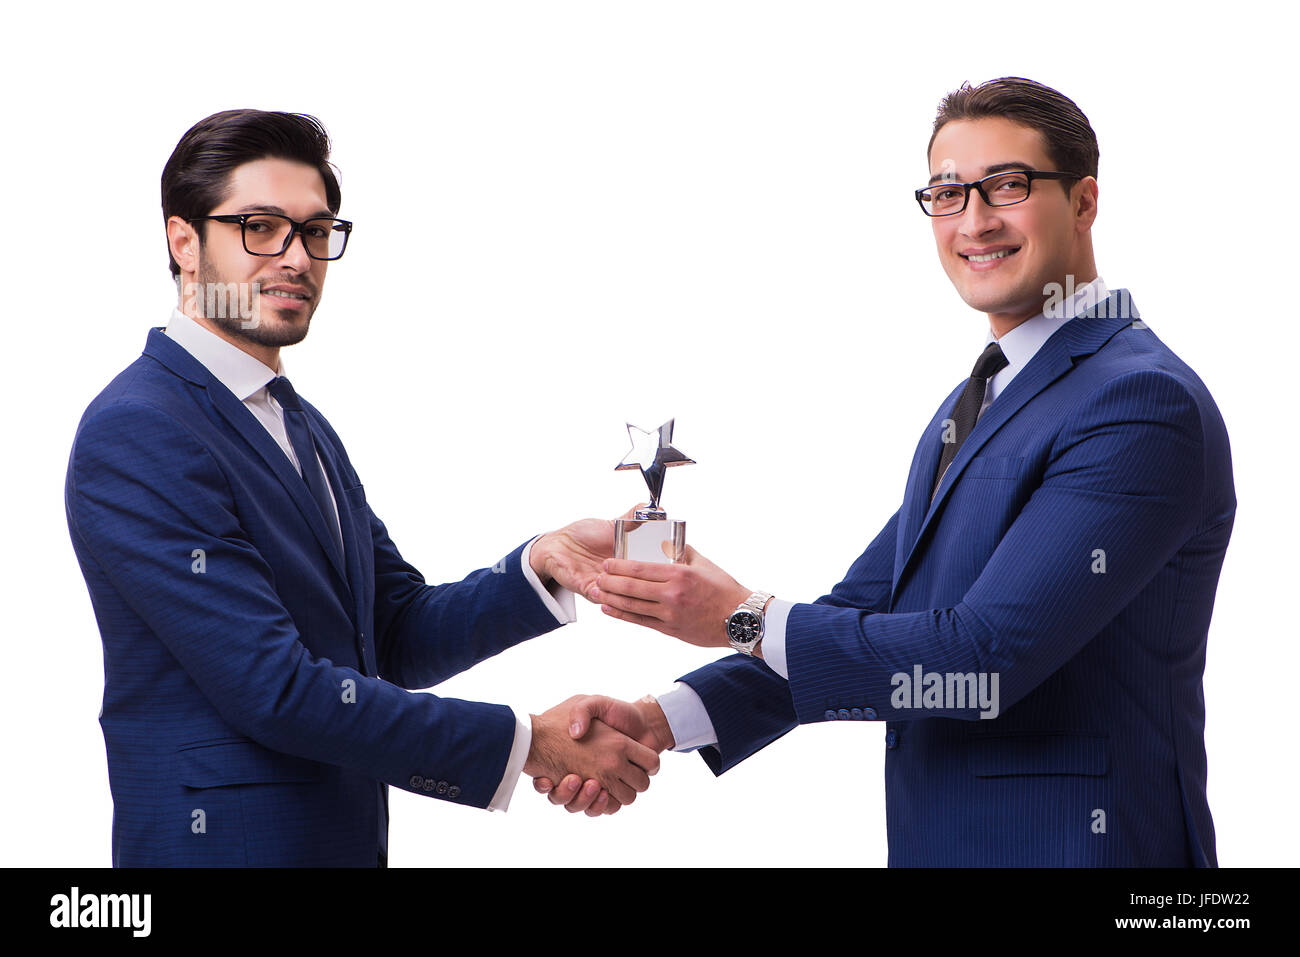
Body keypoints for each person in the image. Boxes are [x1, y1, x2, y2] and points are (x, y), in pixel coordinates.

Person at [536, 77, 1236, 867]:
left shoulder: (1140, 402)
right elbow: (867, 612)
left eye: (1007, 185)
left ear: (1083, 202)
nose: (974, 221)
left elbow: (981, 663)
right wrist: (662, 719)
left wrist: (739, 612)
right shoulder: (983, 395)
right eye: (947, 192)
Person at [64, 109, 656, 867]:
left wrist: (537, 564)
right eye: (261, 227)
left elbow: (392, 633)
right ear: (184, 242)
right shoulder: (140, 428)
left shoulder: (300, 424)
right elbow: (273, 687)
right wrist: (529, 741)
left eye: (315, 232)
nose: (296, 257)